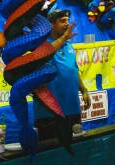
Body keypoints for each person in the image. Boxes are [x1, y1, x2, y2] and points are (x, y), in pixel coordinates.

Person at [33, 10, 90, 142]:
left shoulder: (69, 45)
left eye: (67, 20)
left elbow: (73, 70)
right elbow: (46, 54)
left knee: (75, 152)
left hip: (72, 110)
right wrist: (63, 38)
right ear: (51, 24)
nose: (67, 24)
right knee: (52, 155)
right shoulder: (41, 44)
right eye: (62, 21)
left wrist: (84, 90)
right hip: (49, 113)